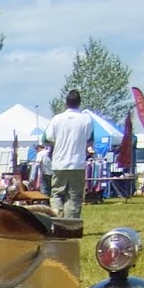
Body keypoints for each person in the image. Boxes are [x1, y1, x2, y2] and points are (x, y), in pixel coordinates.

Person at [45, 90, 94, 219]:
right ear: (79, 103)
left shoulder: (57, 119)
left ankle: (57, 220)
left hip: (59, 162)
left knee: (57, 194)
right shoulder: (86, 119)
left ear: (66, 103)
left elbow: (46, 138)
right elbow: (90, 138)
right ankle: (70, 224)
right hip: (77, 163)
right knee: (74, 196)